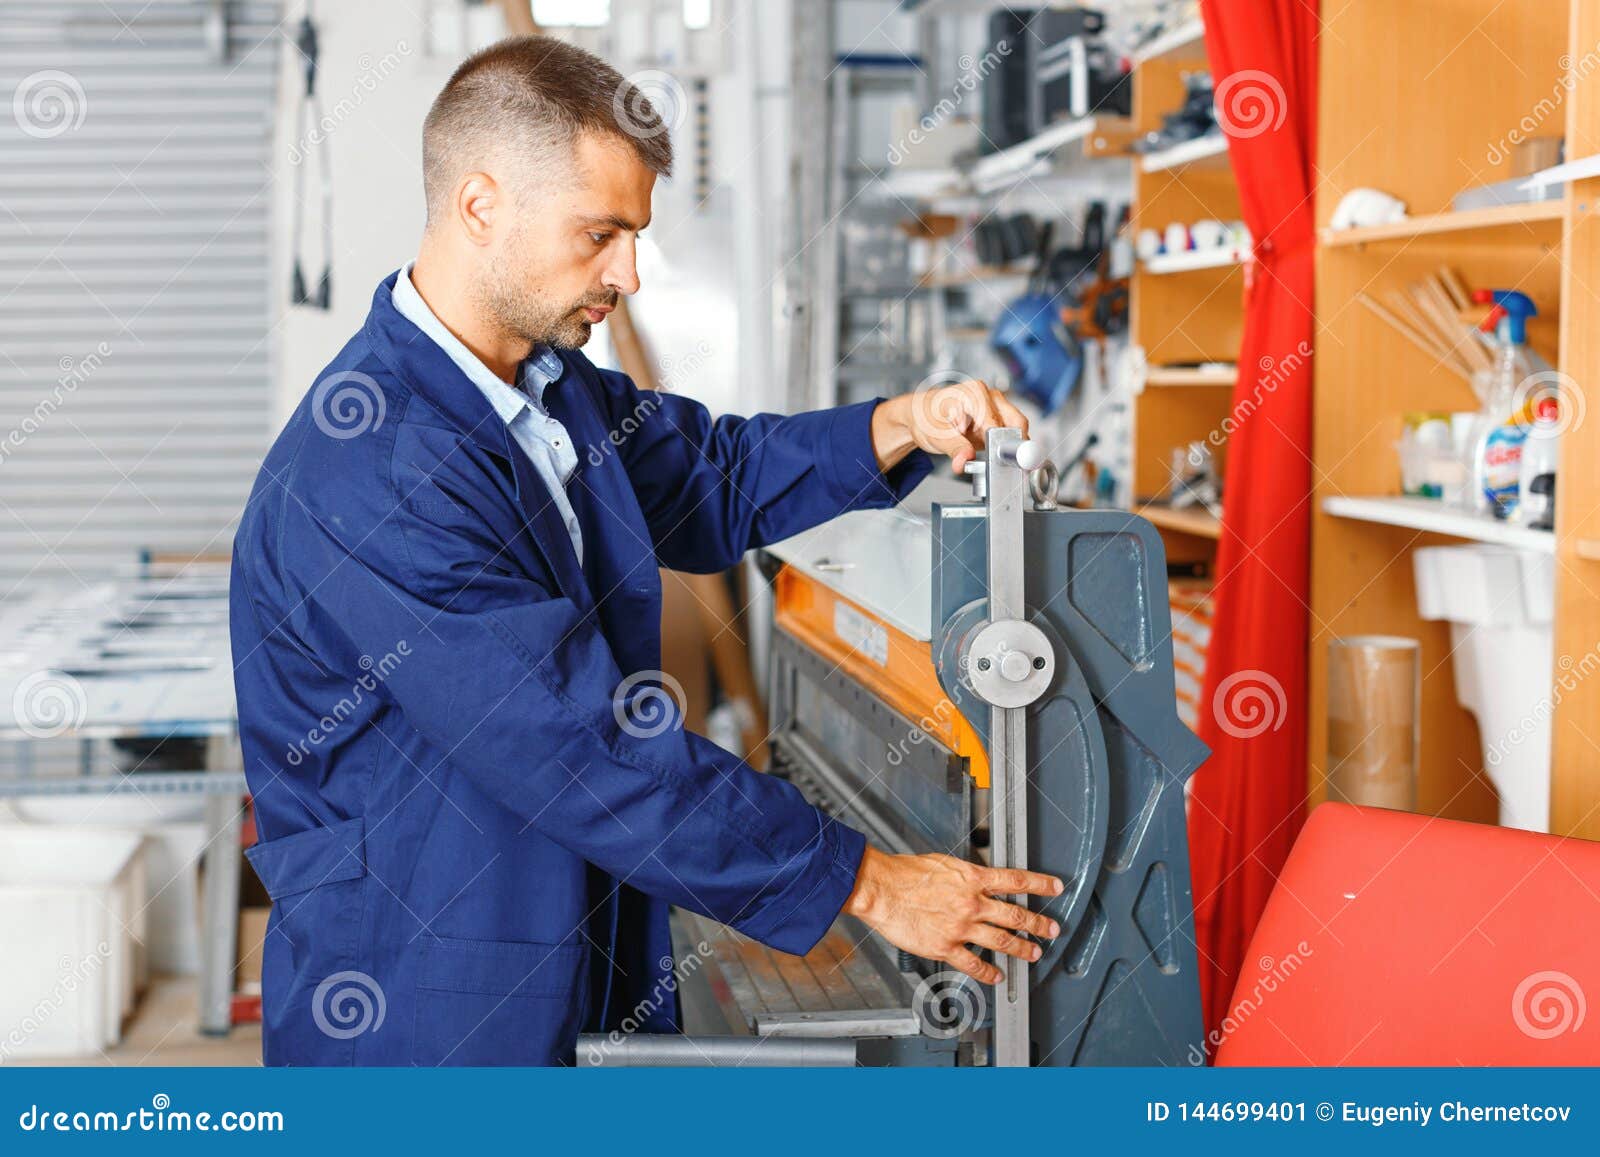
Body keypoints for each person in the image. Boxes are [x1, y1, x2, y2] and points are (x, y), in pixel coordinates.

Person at [231, 35, 1061, 1066]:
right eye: (600, 233)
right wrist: (870, 882)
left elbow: (707, 475)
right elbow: (575, 739)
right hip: (427, 990)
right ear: (480, 205)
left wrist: (897, 423)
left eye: (635, 236)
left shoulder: (549, 386)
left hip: (557, 916)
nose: (627, 273)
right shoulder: (377, 466)